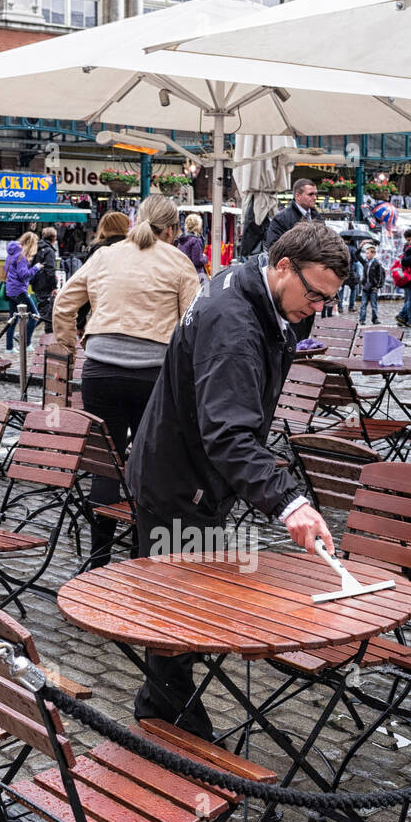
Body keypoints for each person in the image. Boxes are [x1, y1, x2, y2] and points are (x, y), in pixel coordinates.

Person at [126, 219, 348, 738]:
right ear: (283, 266)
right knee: (177, 605)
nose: (315, 310)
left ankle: (161, 713)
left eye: (326, 302)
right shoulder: (235, 322)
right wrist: (289, 504)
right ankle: (175, 729)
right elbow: (228, 435)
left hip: (190, 474)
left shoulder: (251, 288)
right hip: (179, 481)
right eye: (313, 295)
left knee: (183, 598)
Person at [52, 194, 199, 567]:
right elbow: (192, 327)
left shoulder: (105, 255)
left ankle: (100, 557)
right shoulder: (179, 261)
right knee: (149, 464)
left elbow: (63, 305)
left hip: (100, 370)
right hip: (152, 375)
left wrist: (71, 346)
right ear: (171, 229)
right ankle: (140, 555)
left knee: (106, 462)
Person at [265, 180, 322, 343]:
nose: (315, 197)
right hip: (292, 281)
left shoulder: (317, 217)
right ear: (297, 196)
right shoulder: (282, 219)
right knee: (291, 327)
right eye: (311, 194)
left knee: (305, 327)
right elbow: (273, 248)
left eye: (315, 194)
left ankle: (301, 357)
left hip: (313, 283)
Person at [76, 211, 129, 333]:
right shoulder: (135, 248)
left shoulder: (98, 250)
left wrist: (79, 322)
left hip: (103, 315)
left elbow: (84, 286)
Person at [3, 231, 42, 352]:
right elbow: (24, 275)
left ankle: (9, 347)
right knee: (35, 316)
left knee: (13, 319)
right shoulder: (21, 256)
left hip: (11, 289)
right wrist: (36, 267)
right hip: (19, 290)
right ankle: (26, 343)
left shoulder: (11, 253)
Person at [31, 226, 59, 331]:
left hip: (37, 283)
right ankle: (24, 332)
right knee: (45, 311)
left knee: (47, 309)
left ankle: (49, 332)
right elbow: (50, 270)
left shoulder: (36, 248)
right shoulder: (49, 251)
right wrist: (54, 286)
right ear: (54, 238)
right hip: (46, 284)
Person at [176, 212, 209, 282]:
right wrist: (205, 258)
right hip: (196, 274)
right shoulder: (195, 240)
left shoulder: (182, 239)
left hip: (184, 273)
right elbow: (197, 260)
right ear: (197, 226)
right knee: (205, 291)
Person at [359, 243, 384, 324]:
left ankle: (375, 319)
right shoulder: (365, 263)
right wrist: (361, 246)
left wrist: (377, 286)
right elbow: (357, 256)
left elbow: (380, 276)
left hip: (373, 288)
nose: (366, 255)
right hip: (366, 287)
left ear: (373, 253)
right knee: (363, 304)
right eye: (366, 253)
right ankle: (362, 319)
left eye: (368, 253)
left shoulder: (377, 264)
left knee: (374, 304)